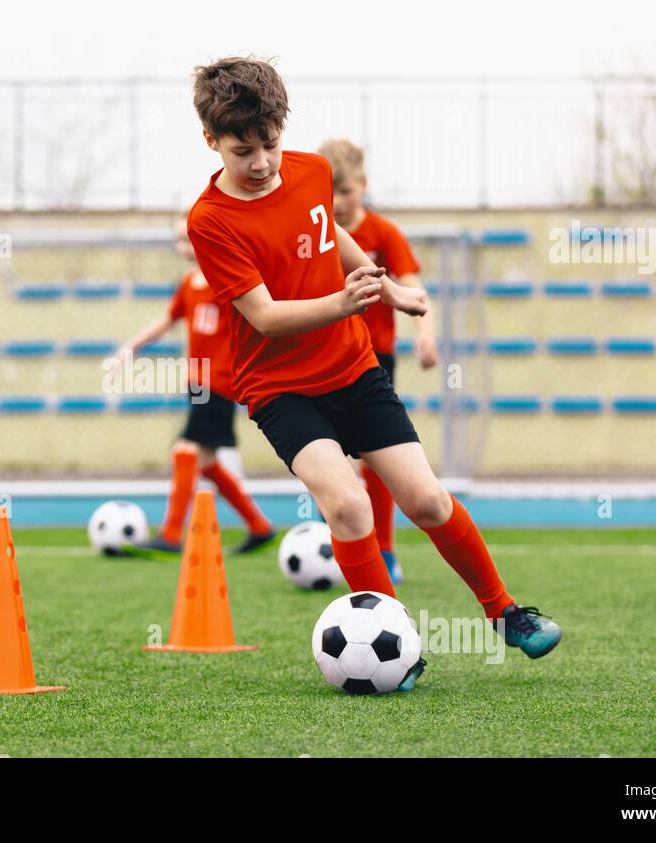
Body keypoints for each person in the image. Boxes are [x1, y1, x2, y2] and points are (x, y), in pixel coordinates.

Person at [185, 57, 562, 689]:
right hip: (279, 389)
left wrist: (385, 289)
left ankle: (504, 612)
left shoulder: (311, 172)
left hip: (353, 370)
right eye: (242, 149)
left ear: (283, 128)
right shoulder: (211, 221)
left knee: (427, 499)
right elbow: (266, 316)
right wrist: (344, 303)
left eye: (270, 144)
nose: (261, 162)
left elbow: (327, 233)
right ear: (211, 141)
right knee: (349, 505)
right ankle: (401, 645)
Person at [316, 138, 438, 584]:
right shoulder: (313, 233)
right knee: (326, 459)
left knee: (377, 460)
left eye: (345, 191)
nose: (337, 202)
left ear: (363, 186)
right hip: (323, 356)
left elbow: (412, 285)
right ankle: (346, 541)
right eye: (329, 193)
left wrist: (426, 335)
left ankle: (384, 550)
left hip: (373, 359)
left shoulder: (383, 234)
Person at [112, 222, 275, 554]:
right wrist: (130, 347)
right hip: (198, 381)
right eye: (179, 239)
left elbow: (256, 317)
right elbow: (168, 319)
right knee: (206, 461)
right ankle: (259, 526)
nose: (184, 245)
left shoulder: (226, 279)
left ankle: (171, 534)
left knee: (185, 451)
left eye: (189, 238)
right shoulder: (189, 283)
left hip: (220, 381)